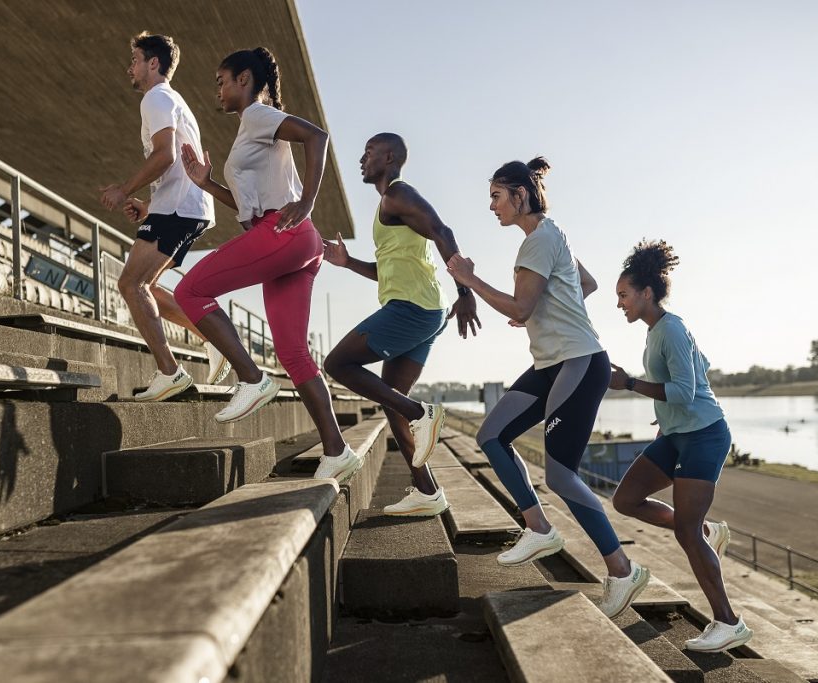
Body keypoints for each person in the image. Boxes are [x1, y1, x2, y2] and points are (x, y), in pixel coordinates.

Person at [447, 158, 649, 619]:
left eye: (497, 197)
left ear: (520, 194)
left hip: (578, 362)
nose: (492, 206)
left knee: (560, 473)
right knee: (491, 435)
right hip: (552, 364)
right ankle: (538, 527)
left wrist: (470, 280)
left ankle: (622, 570)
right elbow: (588, 283)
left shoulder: (537, 242)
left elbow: (523, 299)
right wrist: (536, 309)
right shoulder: (552, 234)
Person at [175, 47, 357, 480]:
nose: (217, 90)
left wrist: (308, 199)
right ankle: (336, 451)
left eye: (221, 81)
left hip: (286, 232)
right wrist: (208, 184)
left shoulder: (258, 113)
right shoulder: (251, 128)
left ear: (243, 79)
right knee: (294, 353)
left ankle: (251, 379)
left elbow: (318, 137)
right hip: (291, 241)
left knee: (188, 291)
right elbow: (249, 210)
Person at [322, 133, 480, 511]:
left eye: (369, 152)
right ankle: (427, 491)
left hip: (413, 309)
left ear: (389, 157)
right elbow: (387, 269)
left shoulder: (398, 194)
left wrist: (466, 291)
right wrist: (347, 263)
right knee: (391, 401)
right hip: (422, 308)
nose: (362, 159)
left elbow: (444, 232)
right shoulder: (388, 205)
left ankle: (421, 413)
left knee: (336, 364)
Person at [609, 239, 752, 652]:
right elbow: (699, 368)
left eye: (624, 295)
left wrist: (630, 383)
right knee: (626, 499)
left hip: (705, 437)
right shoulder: (659, 331)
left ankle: (728, 623)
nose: (620, 303)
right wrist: (666, 415)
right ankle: (709, 531)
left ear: (647, 293)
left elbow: (687, 392)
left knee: (685, 533)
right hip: (674, 435)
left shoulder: (670, 328)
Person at [99, 31, 230, 401]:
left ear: (153, 63)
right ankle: (214, 339)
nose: (130, 68)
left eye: (135, 60)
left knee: (131, 285)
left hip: (180, 207)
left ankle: (170, 372)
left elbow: (165, 155)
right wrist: (149, 208)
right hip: (184, 207)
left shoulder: (156, 97)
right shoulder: (171, 99)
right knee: (149, 288)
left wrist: (124, 190)